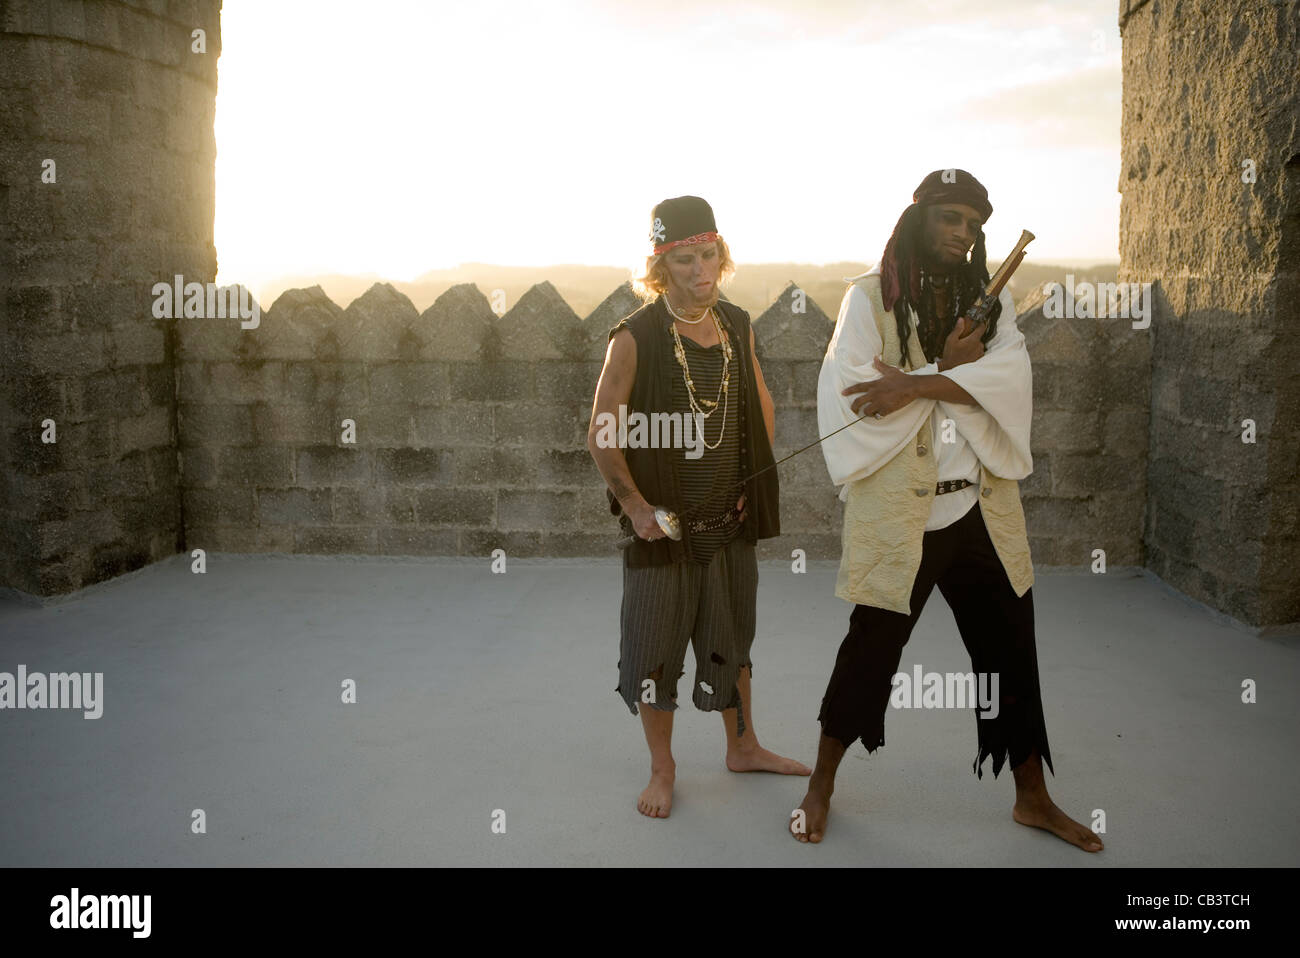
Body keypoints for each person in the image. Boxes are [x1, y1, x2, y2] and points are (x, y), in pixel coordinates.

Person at [790, 170, 1103, 852]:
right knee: (869, 652)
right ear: (918, 220)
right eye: (950, 218)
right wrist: (949, 376)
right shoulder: (867, 299)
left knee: (1010, 656)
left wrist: (922, 381)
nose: (963, 233)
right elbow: (858, 393)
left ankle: (1033, 798)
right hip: (902, 513)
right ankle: (820, 786)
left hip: (981, 511)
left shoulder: (989, 304)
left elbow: (1008, 381)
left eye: (973, 223)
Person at [587, 195, 810, 819]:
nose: (700, 269)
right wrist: (633, 507)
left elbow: (760, 403)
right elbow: (602, 431)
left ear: (721, 254)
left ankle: (745, 747)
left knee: (733, 641)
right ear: (661, 266)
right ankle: (664, 768)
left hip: (729, 521)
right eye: (684, 259)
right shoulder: (633, 337)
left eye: (708, 254)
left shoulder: (738, 324)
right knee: (658, 652)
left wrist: (754, 477)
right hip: (663, 528)